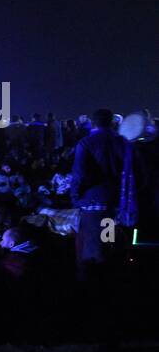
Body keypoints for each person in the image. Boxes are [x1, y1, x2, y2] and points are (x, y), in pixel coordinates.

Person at [71, 108, 125, 277]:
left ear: (93, 122)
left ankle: (93, 288)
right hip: (112, 202)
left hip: (92, 203)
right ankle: (110, 279)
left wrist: (75, 197)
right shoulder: (123, 142)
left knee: (92, 251)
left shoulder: (86, 143)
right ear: (112, 122)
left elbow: (79, 173)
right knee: (107, 242)